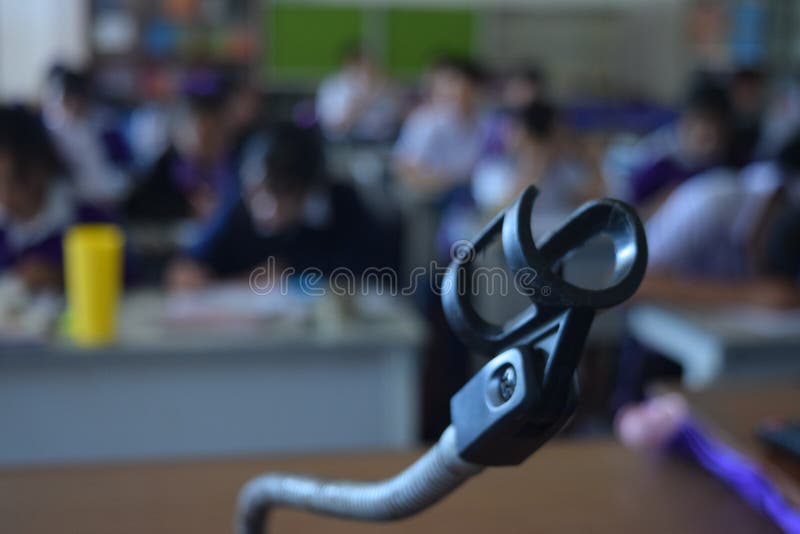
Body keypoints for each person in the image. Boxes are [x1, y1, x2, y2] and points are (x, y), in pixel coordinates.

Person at [167, 122, 393, 290]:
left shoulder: (343, 206)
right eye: (256, 190)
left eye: (280, 191)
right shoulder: (240, 204)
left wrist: (293, 276)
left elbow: (375, 279)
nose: (265, 205)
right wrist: (249, 281)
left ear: (309, 189)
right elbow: (184, 271)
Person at [0, 105, 108, 291]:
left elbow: (125, 276)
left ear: (39, 169)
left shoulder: (89, 221)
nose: (3, 195)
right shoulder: (5, 230)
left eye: (9, 180)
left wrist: (66, 276)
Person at [125, 71, 239, 223]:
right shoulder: (160, 172)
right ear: (180, 132)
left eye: (216, 133)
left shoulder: (238, 168)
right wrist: (188, 209)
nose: (210, 143)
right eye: (202, 134)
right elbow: (135, 214)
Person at [627, 78, 733, 208]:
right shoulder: (654, 160)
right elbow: (633, 212)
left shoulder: (728, 155)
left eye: (720, 131)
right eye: (706, 135)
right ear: (687, 124)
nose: (713, 143)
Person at [393, 57, 488, 199]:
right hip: (435, 194)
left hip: (469, 188)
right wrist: (450, 180)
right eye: (453, 84)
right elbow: (406, 172)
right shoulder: (426, 121)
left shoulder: (481, 122)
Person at [42, 65, 129, 206]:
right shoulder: (51, 132)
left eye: (78, 99)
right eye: (68, 100)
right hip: (73, 202)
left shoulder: (104, 123)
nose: (74, 105)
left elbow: (123, 160)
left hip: (110, 195)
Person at [316, 47, 401, 143]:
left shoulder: (385, 85)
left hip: (383, 142)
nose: (368, 70)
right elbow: (333, 128)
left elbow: (397, 120)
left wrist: (389, 90)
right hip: (345, 144)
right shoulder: (333, 86)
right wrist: (364, 100)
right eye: (361, 65)